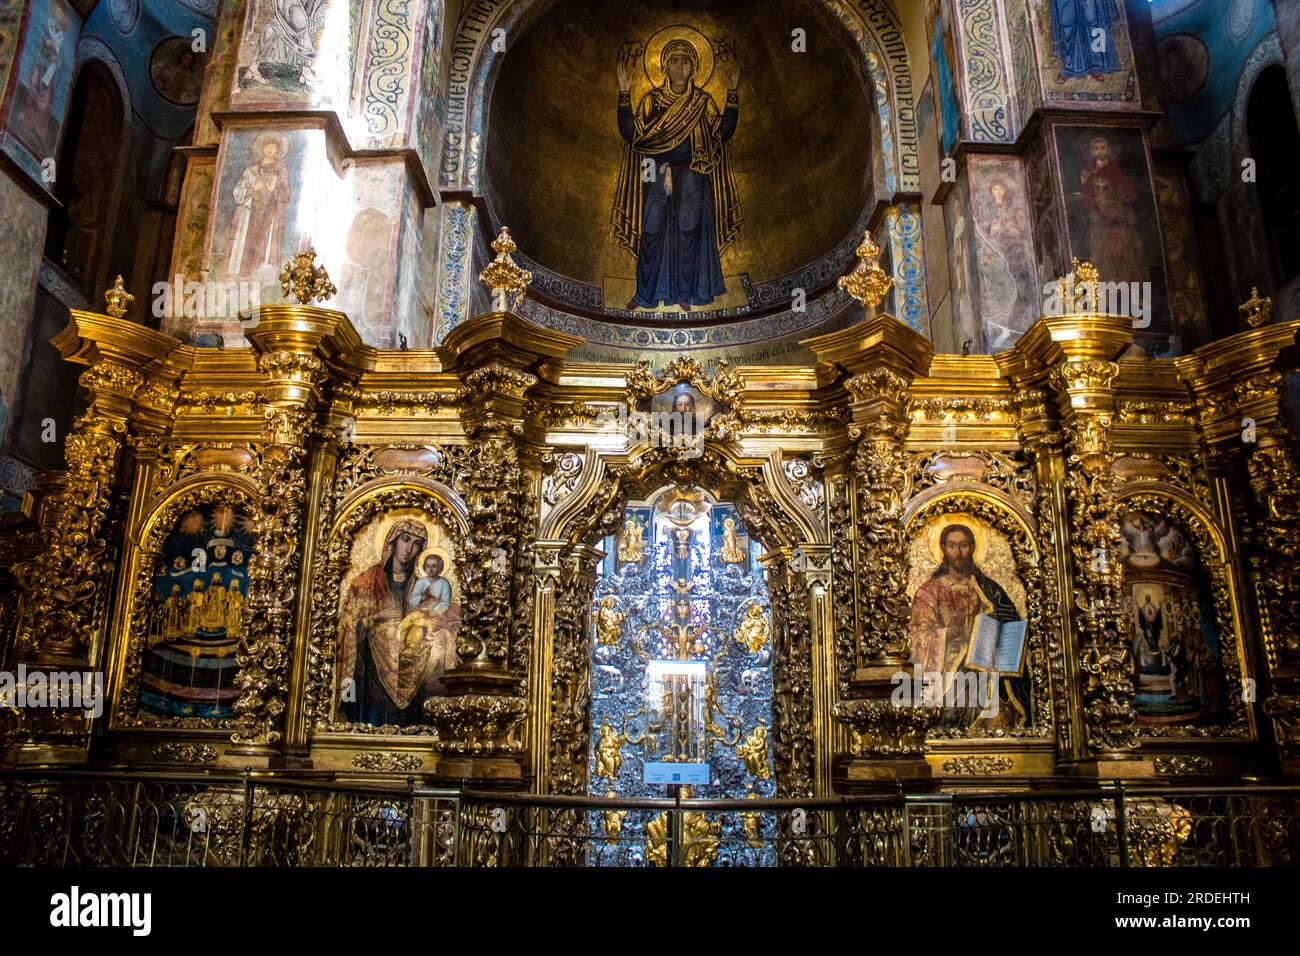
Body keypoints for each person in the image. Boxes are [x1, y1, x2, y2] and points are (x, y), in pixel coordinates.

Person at [612, 39, 742, 311]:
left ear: (694, 68)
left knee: (688, 232)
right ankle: (645, 293)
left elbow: (721, 134)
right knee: (651, 231)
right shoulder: (652, 101)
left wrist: (731, 92)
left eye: (685, 62)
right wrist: (624, 92)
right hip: (654, 174)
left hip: (692, 174)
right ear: (664, 67)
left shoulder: (702, 103)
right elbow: (632, 135)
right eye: (674, 61)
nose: (679, 68)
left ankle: (685, 292)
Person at [907, 524, 1028, 727]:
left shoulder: (988, 589)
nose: (958, 552)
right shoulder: (929, 592)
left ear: (972, 547)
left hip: (987, 664)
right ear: (943, 548)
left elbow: (1011, 622)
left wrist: (992, 629)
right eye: (952, 546)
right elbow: (917, 636)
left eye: (963, 545)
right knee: (964, 679)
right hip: (947, 669)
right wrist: (948, 633)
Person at [336, 519, 430, 726]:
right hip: (370, 665)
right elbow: (348, 625)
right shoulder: (367, 581)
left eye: (416, 544)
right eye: (405, 540)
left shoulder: (420, 586)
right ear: (392, 542)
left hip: (408, 663)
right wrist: (374, 619)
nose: (409, 549)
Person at [226, 131, 292, 277]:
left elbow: (285, 192)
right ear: (261, 148)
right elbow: (238, 190)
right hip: (250, 211)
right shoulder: (252, 169)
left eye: (273, 147)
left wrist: (275, 187)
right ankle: (242, 271)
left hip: (269, 212)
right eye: (267, 146)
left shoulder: (281, 170)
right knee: (247, 240)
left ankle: (258, 271)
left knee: (263, 240)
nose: (269, 149)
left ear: (278, 150)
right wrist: (253, 188)